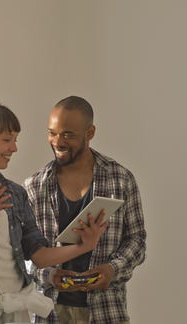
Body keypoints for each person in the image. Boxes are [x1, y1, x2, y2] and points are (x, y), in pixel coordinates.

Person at [0, 96, 108, 324]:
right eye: (7, 140)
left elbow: (38, 255)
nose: (14, 148)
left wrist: (83, 246)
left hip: (14, 314)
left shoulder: (16, 193)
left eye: (15, 140)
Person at [24, 96, 146, 324]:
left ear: (90, 133)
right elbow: (23, 255)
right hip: (49, 312)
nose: (57, 141)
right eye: (52, 133)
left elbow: (137, 240)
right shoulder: (34, 186)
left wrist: (112, 269)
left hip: (107, 310)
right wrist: (50, 275)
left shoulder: (120, 179)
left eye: (68, 134)